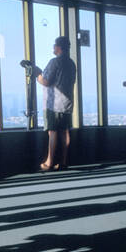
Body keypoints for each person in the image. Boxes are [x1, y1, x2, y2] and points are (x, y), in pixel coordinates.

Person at [36, 37, 76, 170]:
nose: (53, 48)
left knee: (52, 132)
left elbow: (46, 81)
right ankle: (63, 162)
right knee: (65, 132)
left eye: (54, 46)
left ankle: (49, 162)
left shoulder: (55, 62)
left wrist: (37, 76)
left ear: (58, 47)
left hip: (54, 104)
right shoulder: (71, 63)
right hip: (67, 103)